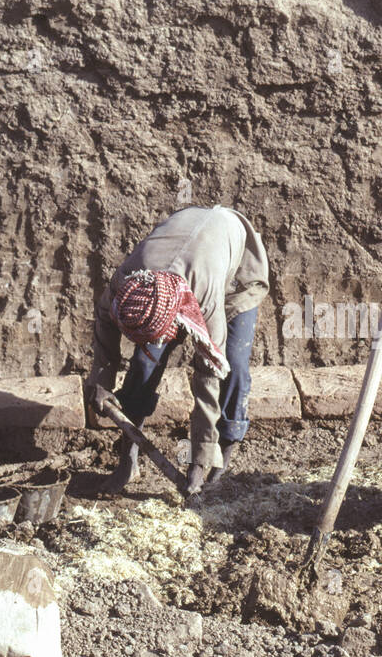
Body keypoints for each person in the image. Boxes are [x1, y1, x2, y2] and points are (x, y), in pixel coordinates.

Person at [86, 204, 269, 496]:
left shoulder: (208, 301)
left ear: (176, 318)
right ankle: (127, 463)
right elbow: (105, 320)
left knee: (233, 367)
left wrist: (198, 460)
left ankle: (218, 464)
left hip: (236, 269)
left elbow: (209, 378)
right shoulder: (130, 279)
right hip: (184, 243)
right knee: (145, 365)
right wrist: (101, 381)